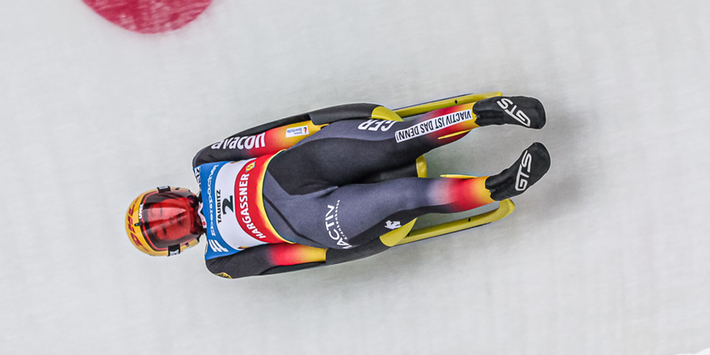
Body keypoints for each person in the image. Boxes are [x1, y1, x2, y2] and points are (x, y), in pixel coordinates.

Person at [125, 94, 551, 278]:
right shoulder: (221, 260)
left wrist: (319, 127)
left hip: (298, 166)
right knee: (405, 197)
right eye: (171, 228)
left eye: (165, 211)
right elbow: (287, 259)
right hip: (310, 221)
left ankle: (486, 113)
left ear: (171, 192)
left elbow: (265, 139)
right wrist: (350, 248)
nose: (180, 217)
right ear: (180, 245)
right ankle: (499, 185)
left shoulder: (206, 164)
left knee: (393, 140)